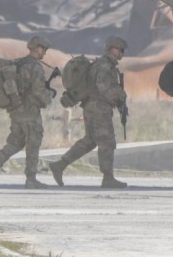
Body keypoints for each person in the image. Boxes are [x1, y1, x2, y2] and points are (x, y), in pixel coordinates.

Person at [48, 36, 129, 189]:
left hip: (90, 106)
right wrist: (120, 94)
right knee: (107, 142)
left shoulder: (100, 63)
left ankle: (60, 165)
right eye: (121, 50)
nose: (122, 54)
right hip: (99, 107)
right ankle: (108, 178)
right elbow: (103, 87)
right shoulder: (105, 65)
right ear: (113, 49)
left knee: (90, 140)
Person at [0, 35, 55, 189]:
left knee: (16, 142)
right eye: (44, 49)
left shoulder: (19, 63)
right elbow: (38, 91)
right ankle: (31, 179)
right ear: (39, 48)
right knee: (33, 143)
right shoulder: (35, 67)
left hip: (15, 110)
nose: (45, 52)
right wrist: (50, 96)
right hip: (29, 111)